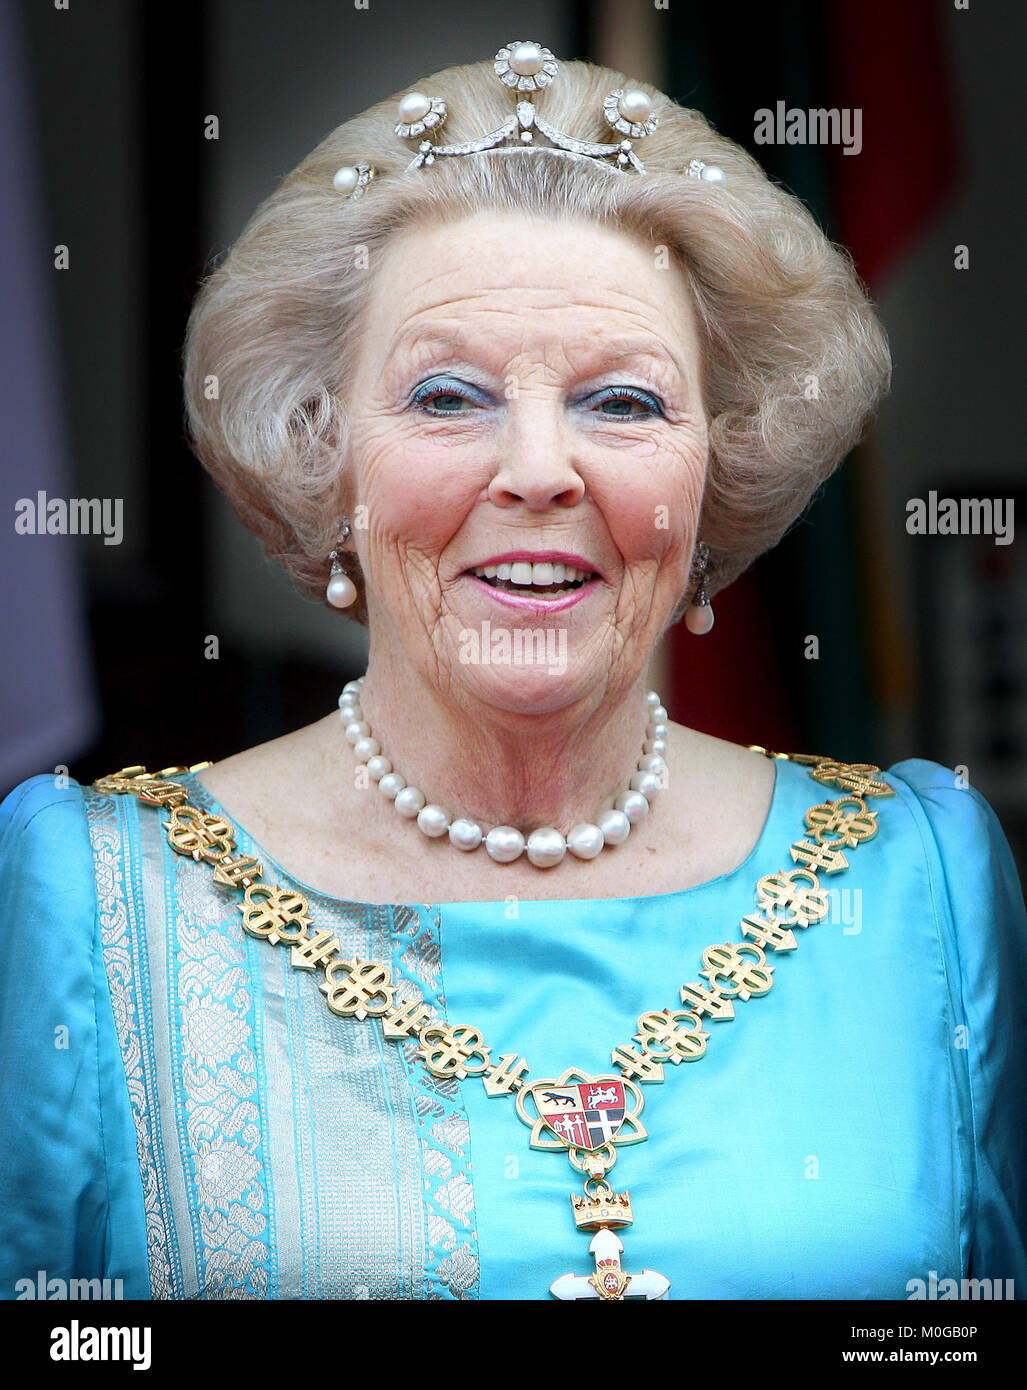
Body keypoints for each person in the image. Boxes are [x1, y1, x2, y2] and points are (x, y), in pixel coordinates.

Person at [1, 39, 1024, 1303]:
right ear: (325, 457)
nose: (539, 469)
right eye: (445, 396)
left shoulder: (917, 876)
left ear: (721, 471)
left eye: (623, 405)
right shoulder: (97, 892)